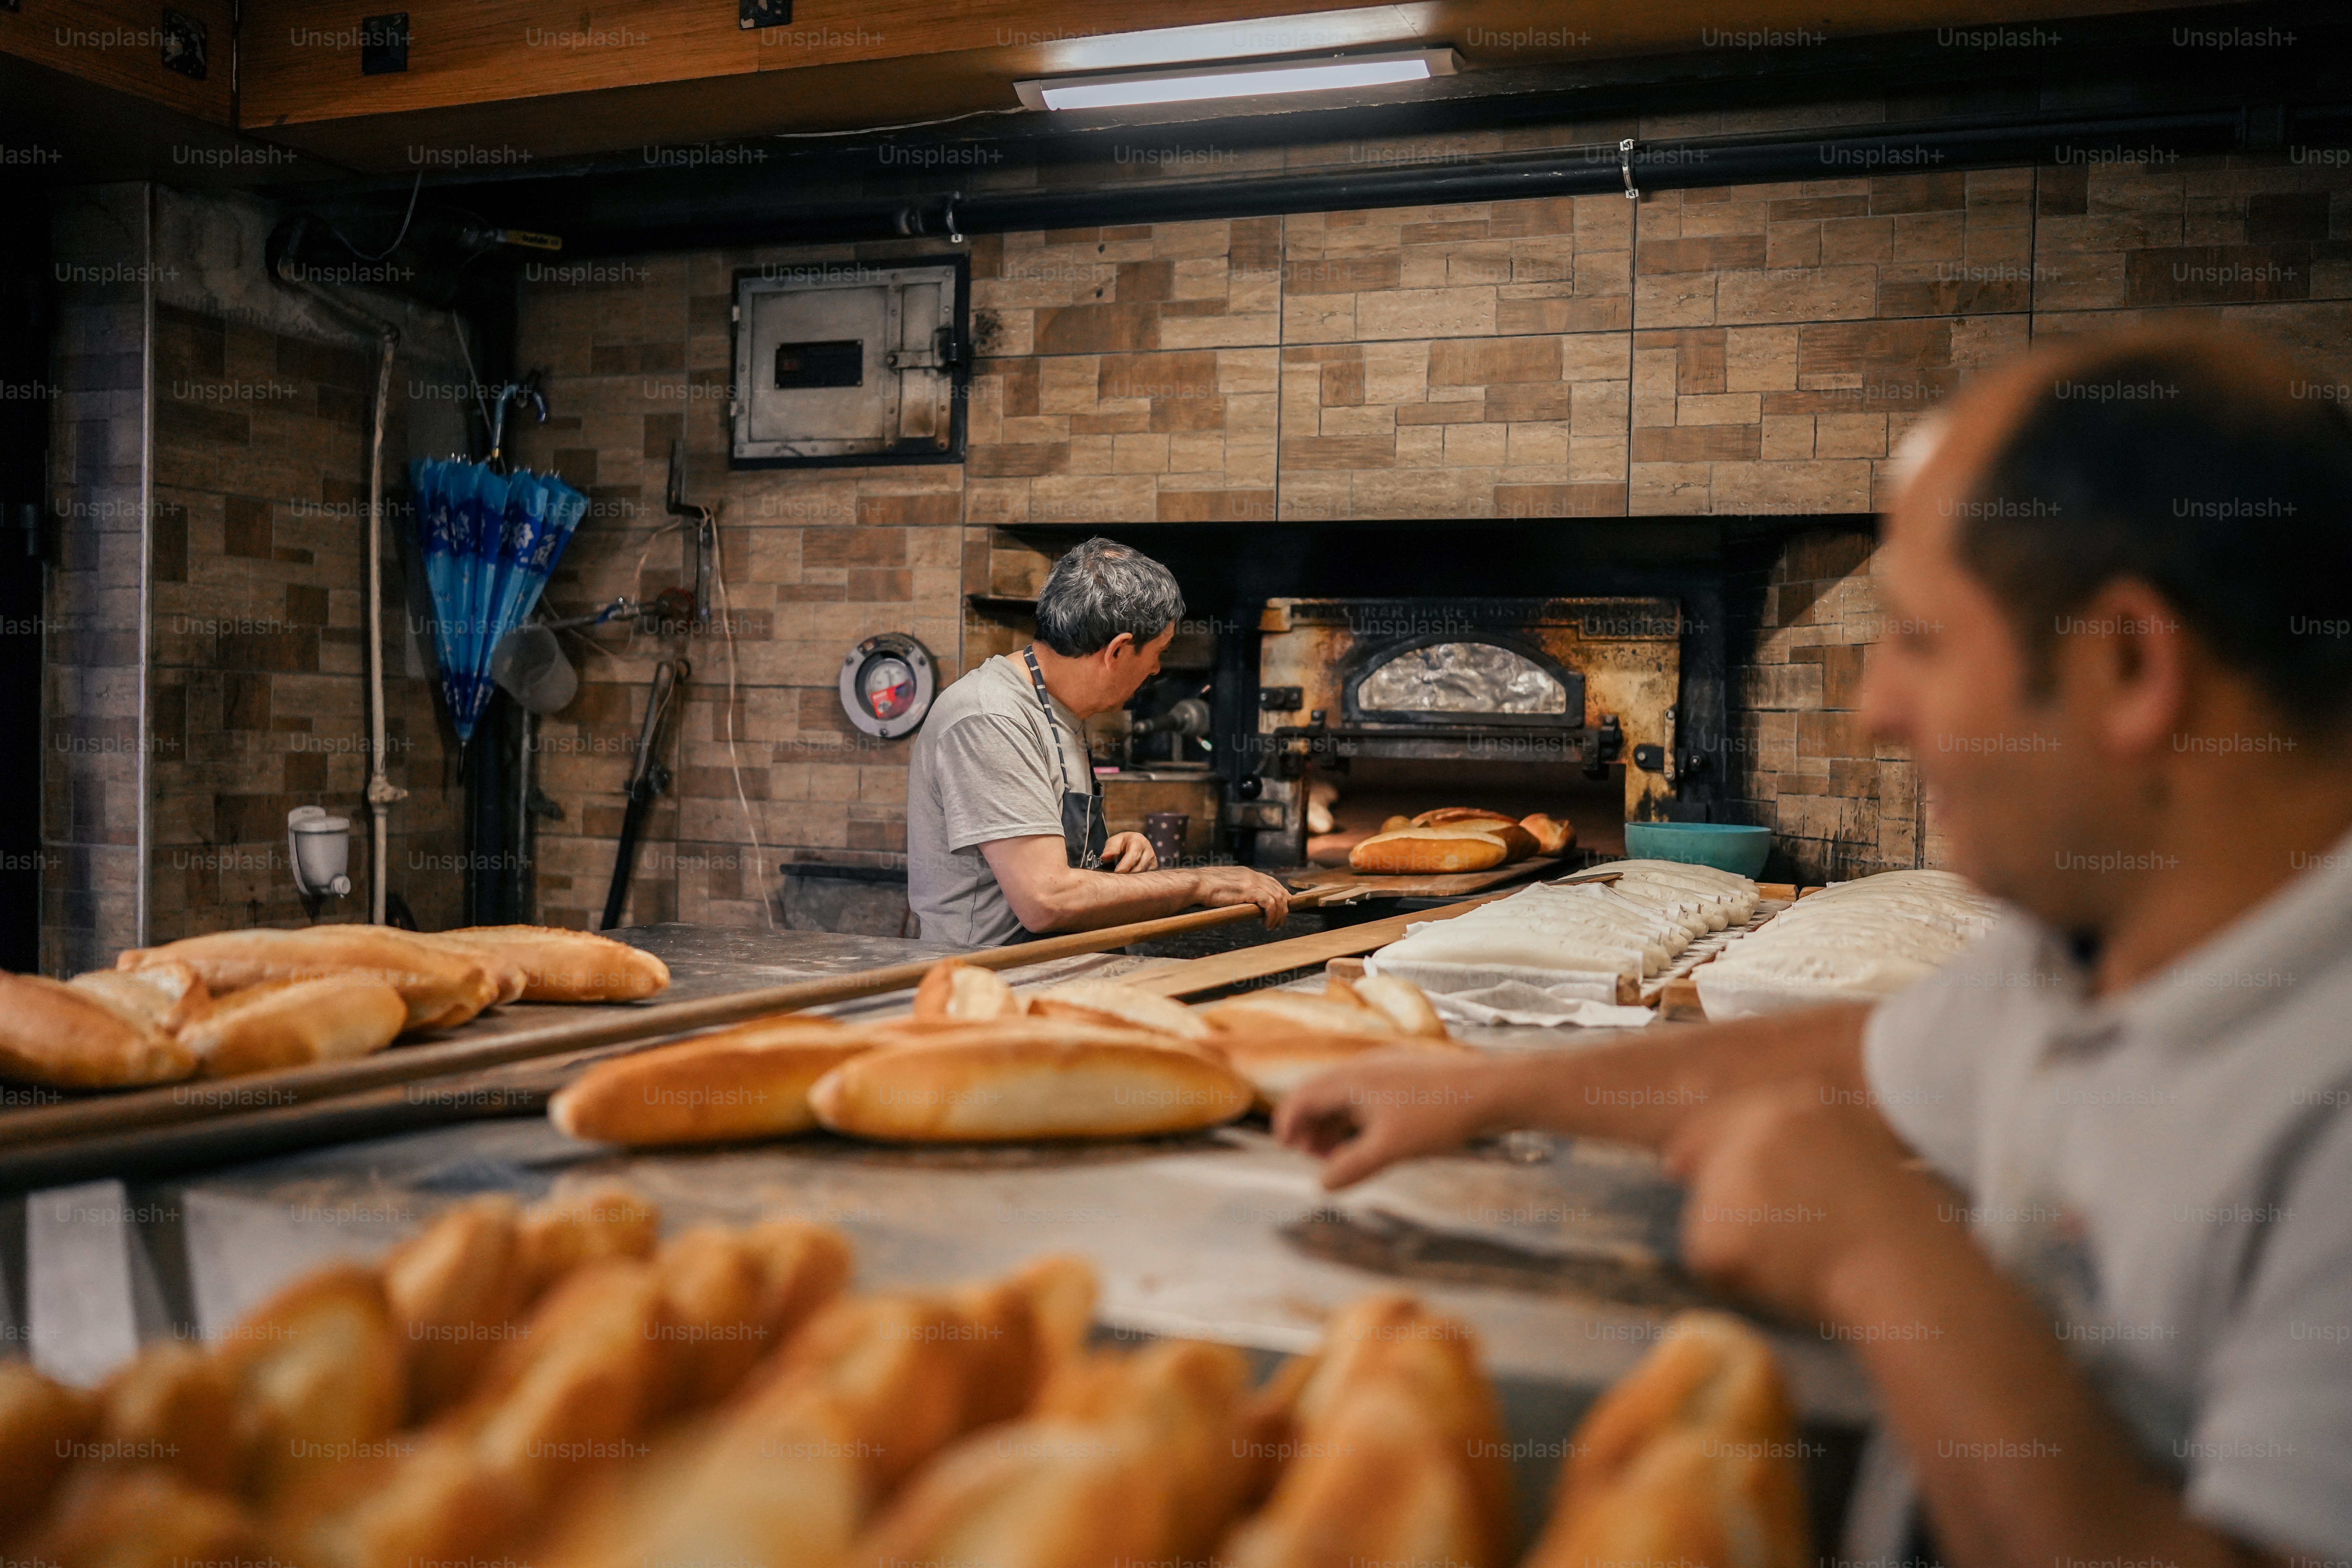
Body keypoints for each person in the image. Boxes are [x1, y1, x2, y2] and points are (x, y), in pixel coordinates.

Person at [1276, 327, 2352, 1565]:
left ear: (2125, 663)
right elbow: (1867, 1059)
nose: (1876, 708)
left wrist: (1889, 1264)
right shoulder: (2093, 944)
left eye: (1924, 640)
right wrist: (1487, 1083)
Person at [906, 536, 1290, 946]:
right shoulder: (991, 718)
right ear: (1119, 651)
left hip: (1060, 967)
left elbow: (1049, 864)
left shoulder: (1059, 706)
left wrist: (1107, 859)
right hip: (993, 985)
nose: (1158, 669)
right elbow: (1046, 900)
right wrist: (1201, 883)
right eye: (1158, 652)